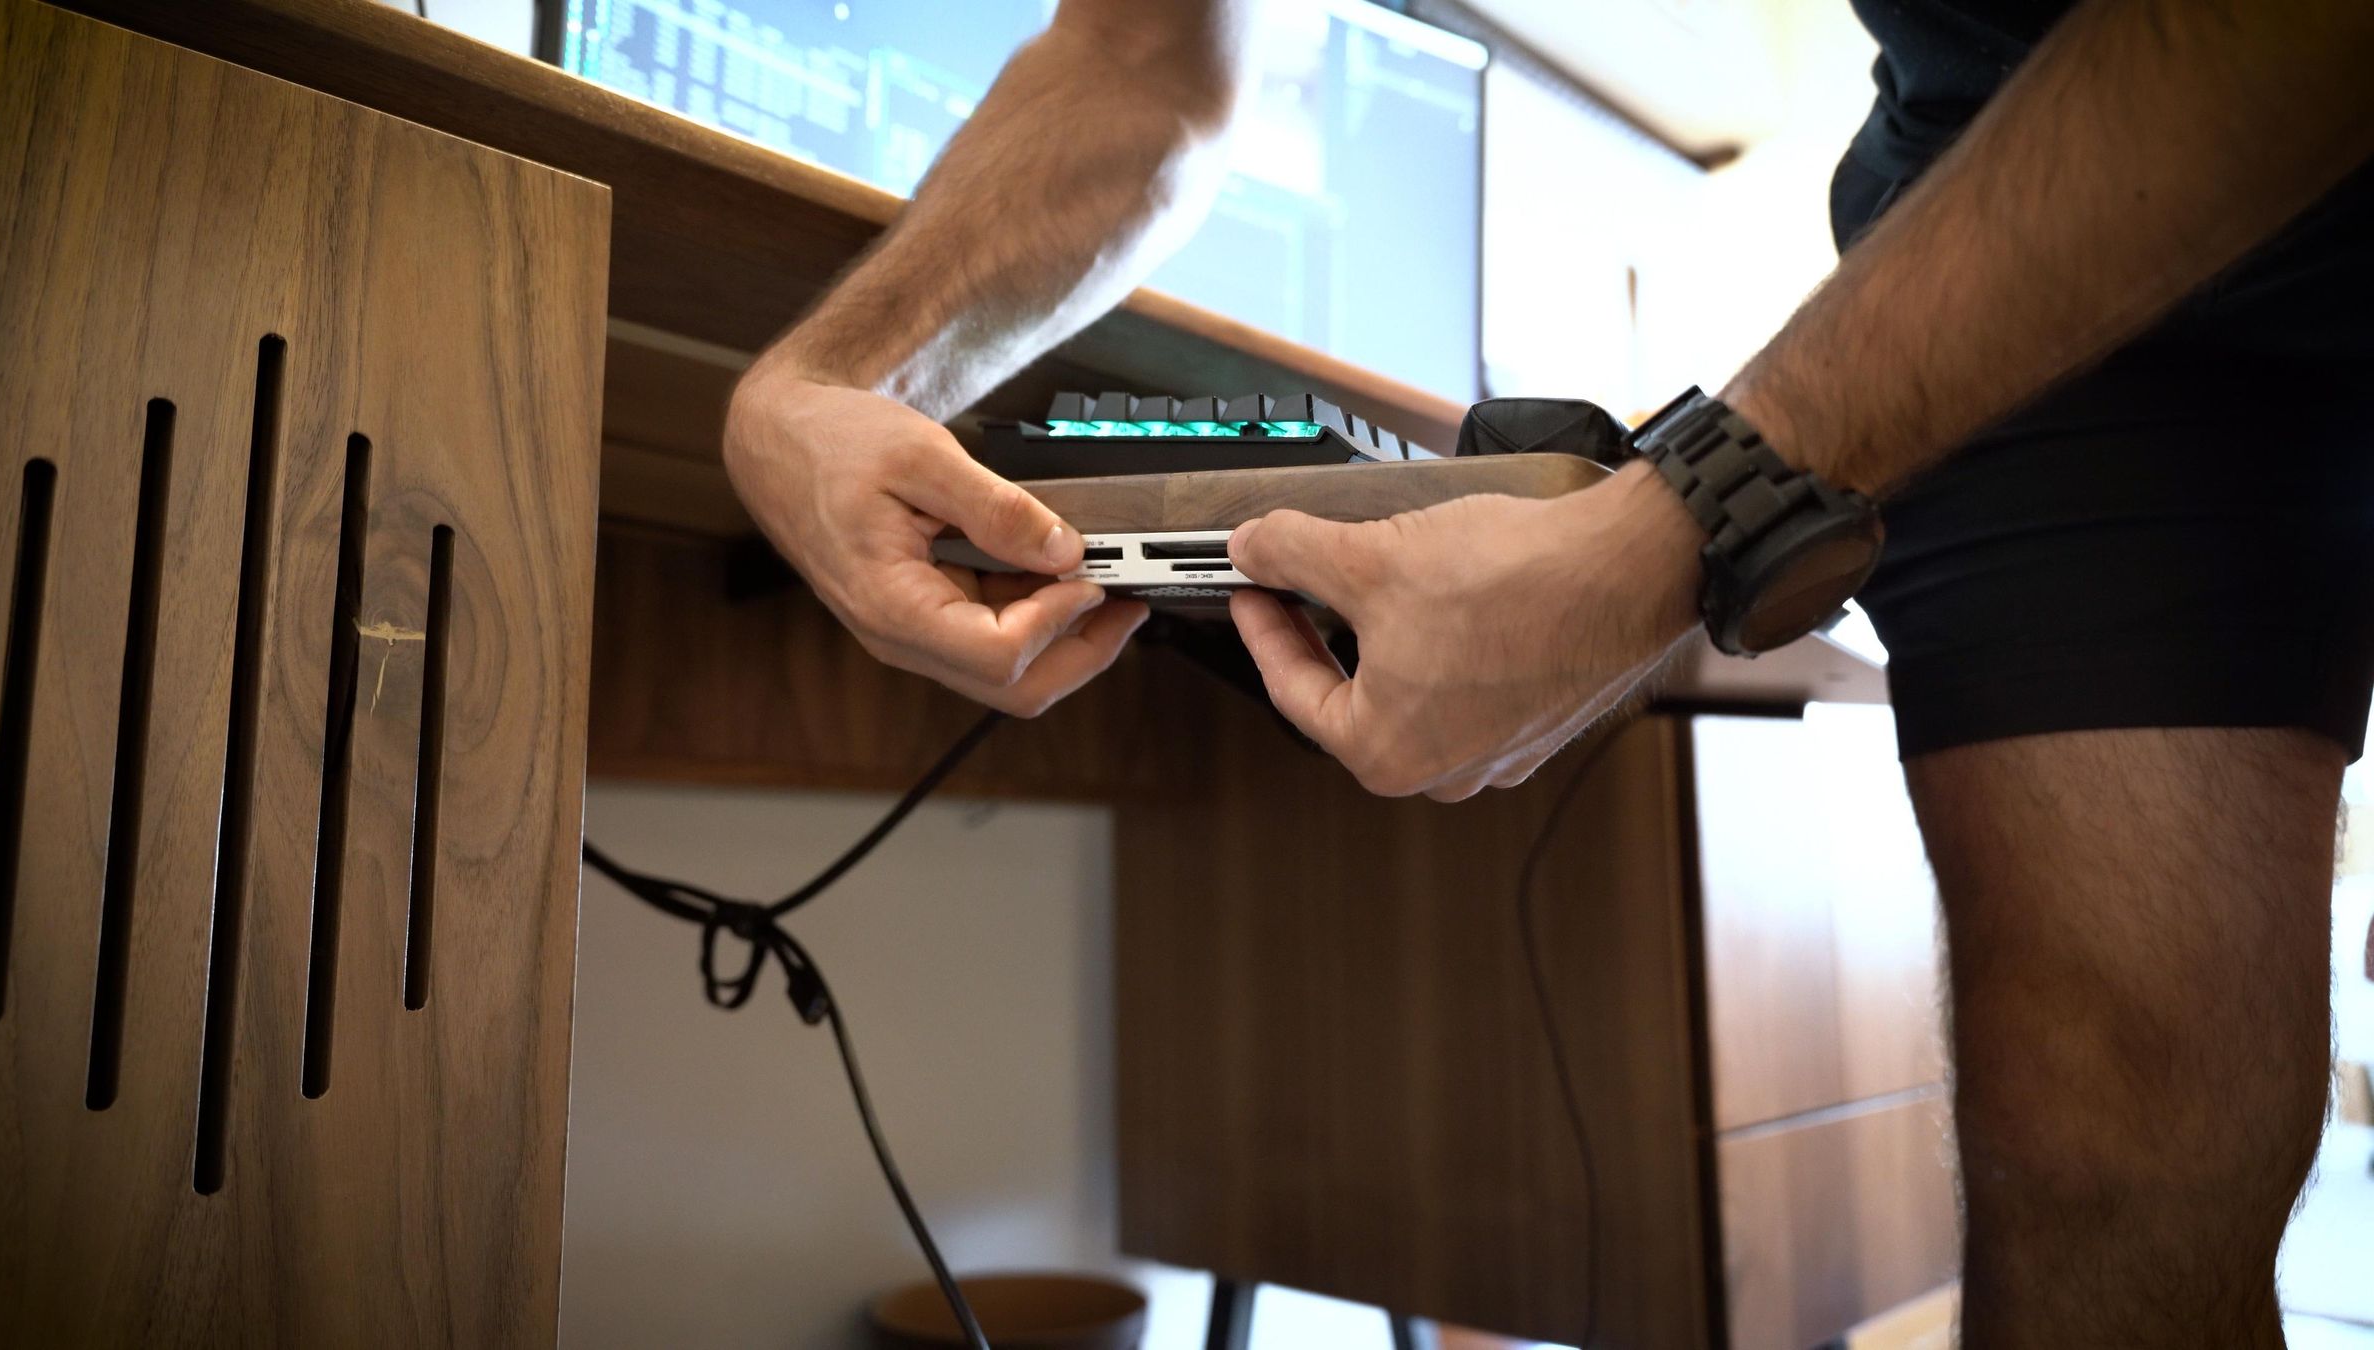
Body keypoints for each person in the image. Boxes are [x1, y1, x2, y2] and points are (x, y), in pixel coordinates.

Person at [721, 0, 2374, 1343]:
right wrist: (818, 383)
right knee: (2102, 1151)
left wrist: (1686, 517)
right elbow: (1145, 53)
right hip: (2010, 159)